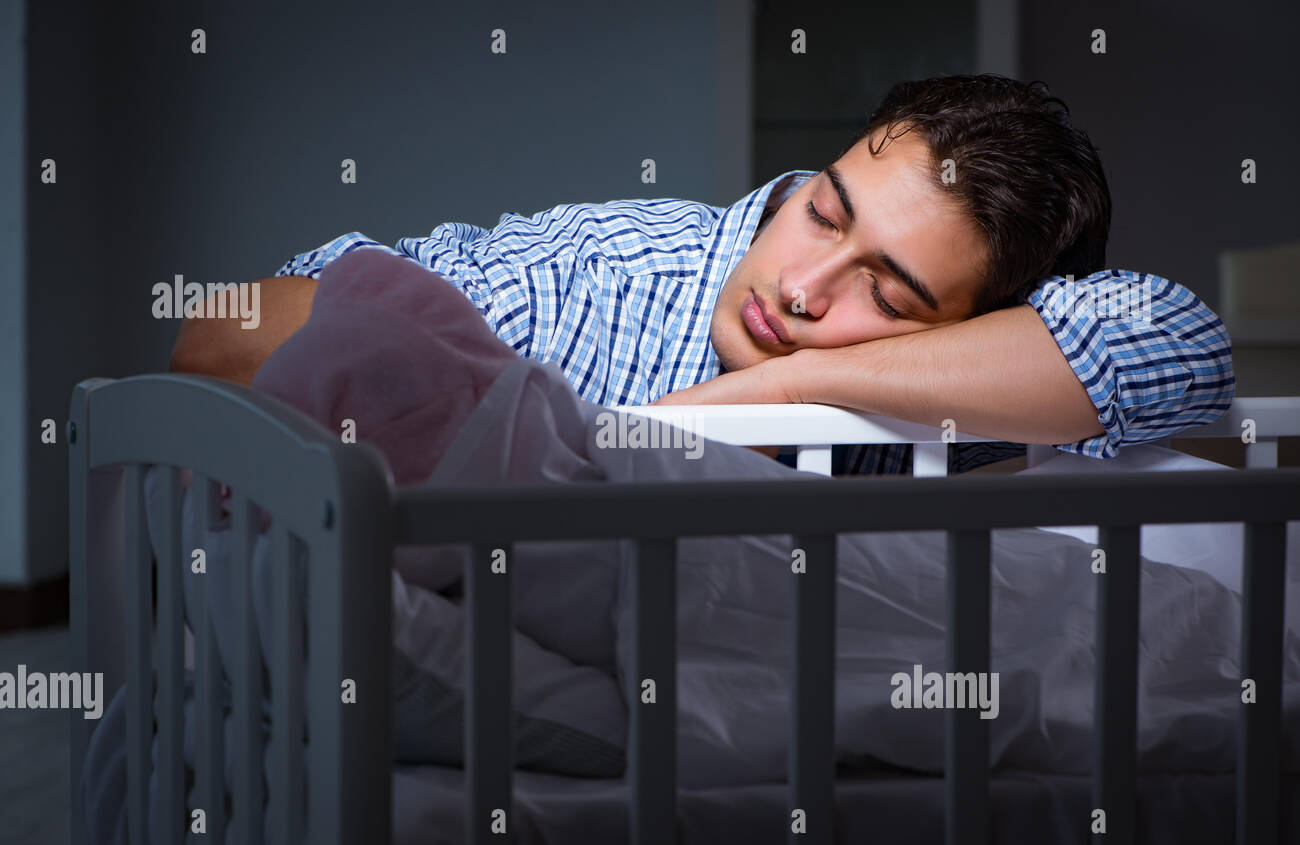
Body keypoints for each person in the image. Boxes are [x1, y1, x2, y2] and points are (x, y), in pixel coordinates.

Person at [169, 74, 1234, 474]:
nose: (805, 288)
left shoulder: (967, 387)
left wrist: (781, 390)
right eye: (822, 211)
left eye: (889, 294)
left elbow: (1180, 341)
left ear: (956, 327)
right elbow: (221, 331)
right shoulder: (597, 277)